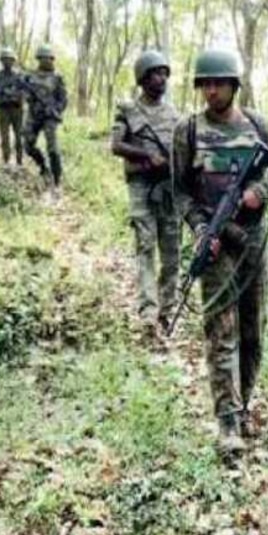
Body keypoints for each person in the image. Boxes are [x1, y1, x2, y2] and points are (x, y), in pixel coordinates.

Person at [172, 48, 268, 463]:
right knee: (220, 332)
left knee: (253, 333)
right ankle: (227, 422)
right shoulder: (188, 131)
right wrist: (202, 229)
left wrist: (260, 191)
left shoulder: (258, 125)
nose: (210, 91)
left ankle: (243, 406)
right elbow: (180, 192)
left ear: (233, 85)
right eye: (204, 84)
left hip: (255, 242)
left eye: (217, 83)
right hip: (218, 245)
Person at [110, 49, 180, 343]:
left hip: (169, 190)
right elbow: (116, 145)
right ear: (142, 78)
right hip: (140, 187)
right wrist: (146, 155)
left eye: (164, 73)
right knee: (145, 248)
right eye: (154, 73)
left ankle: (167, 309)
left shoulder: (176, 115)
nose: (160, 78)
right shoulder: (128, 110)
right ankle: (148, 314)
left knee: (172, 253)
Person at [22, 43, 68, 197]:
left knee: (53, 149)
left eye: (49, 58)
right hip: (34, 115)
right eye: (43, 58)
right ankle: (43, 166)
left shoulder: (57, 78)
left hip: (50, 118)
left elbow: (63, 99)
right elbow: (23, 94)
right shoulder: (29, 76)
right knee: (27, 146)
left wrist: (56, 110)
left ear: (52, 59)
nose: (47, 61)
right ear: (39, 59)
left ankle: (57, 181)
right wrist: (28, 97)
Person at [0, 46, 25, 167]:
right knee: (4, 137)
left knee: (19, 137)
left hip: (17, 109)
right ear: (1, 61)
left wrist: (13, 94)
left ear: (13, 60)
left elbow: (25, 92)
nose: (7, 62)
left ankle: (19, 161)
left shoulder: (19, 76)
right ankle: (6, 160)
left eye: (10, 59)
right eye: (5, 59)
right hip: (3, 109)